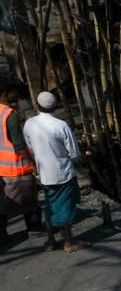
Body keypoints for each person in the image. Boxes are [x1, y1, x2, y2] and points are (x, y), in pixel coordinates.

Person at [24, 92, 81, 252]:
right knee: (66, 208)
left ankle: (50, 241)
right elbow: (75, 153)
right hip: (63, 173)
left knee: (50, 207)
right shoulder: (61, 125)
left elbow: (29, 145)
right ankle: (68, 242)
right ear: (55, 106)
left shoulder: (30, 123)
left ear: (37, 104)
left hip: (45, 174)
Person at [0, 81, 36, 243]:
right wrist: (33, 162)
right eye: (14, 92)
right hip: (17, 167)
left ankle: (2, 234)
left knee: (4, 203)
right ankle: (35, 228)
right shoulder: (9, 115)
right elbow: (19, 144)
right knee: (30, 200)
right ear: (6, 93)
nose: (17, 95)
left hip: (2, 167)